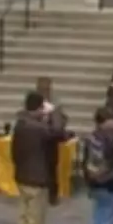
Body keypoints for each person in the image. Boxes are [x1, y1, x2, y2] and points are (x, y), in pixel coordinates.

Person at [11, 91, 67, 224]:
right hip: (37, 176)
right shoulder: (37, 128)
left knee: (24, 214)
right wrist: (55, 112)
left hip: (22, 175)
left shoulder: (20, 124)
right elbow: (58, 133)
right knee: (35, 216)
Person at [36, 78, 70, 206]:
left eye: (45, 88)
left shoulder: (55, 104)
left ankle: (52, 195)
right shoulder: (34, 102)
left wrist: (51, 114)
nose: (43, 90)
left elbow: (59, 124)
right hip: (37, 141)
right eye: (41, 88)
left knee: (51, 169)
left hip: (50, 141)